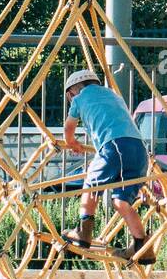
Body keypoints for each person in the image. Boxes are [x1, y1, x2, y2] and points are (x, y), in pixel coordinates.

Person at [62, 70, 155, 263]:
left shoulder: (79, 99)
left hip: (114, 147)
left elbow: (69, 127)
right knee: (121, 201)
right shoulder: (114, 95)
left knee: (91, 184)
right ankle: (142, 246)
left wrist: (71, 143)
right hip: (139, 152)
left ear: (72, 93)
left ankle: (83, 232)